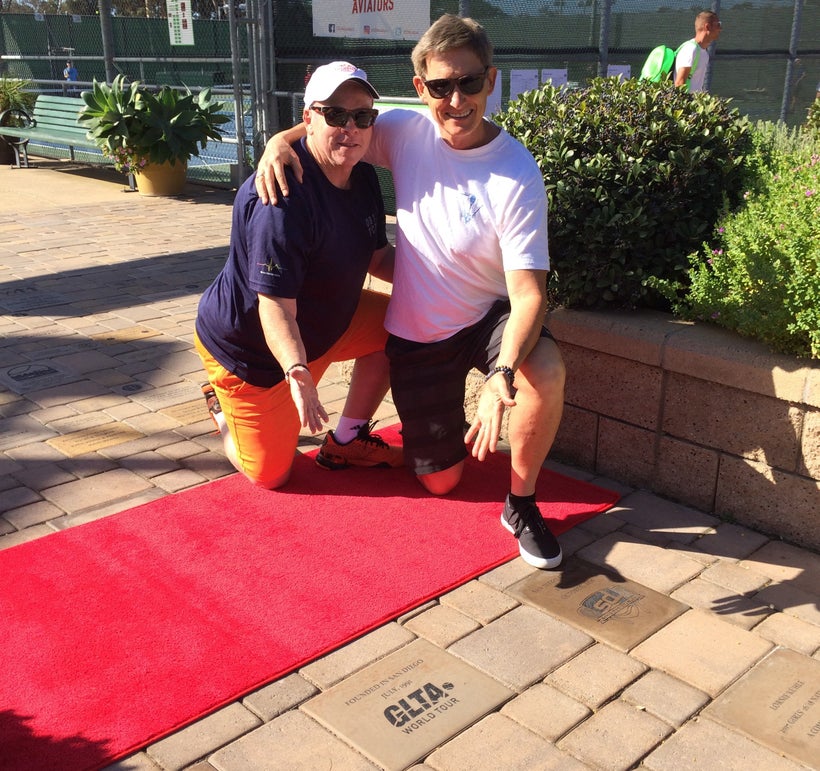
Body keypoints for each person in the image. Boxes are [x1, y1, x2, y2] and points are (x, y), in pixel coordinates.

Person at [256, 15, 566, 570]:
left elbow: (528, 296)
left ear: (490, 81)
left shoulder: (517, 172)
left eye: (468, 83)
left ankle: (521, 504)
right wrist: (280, 140)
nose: (456, 100)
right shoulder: (401, 130)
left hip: (487, 315)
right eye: (441, 86)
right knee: (441, 482)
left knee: (545, 367)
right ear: (421, 88)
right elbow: (335, 124)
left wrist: (502, 376)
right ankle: (415, 447)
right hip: (419, 332)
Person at [194, 61, 402, 490]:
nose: (351, 127)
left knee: (402, 328)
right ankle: (222, 406)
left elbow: (378, 257)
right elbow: (275, 308)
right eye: (336, 114)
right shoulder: (281, 198)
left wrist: (451, 285)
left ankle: (345, 441)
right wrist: (297, 370)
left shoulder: (362, 175)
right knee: (270, 474)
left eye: (362, 116)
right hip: (254, 353)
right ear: (308, 118)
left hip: (327, 321)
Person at [673, 11, 722, 93]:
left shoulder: (704, 53)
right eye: (718, 25)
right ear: (707, 26)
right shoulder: (691, 49)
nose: (720, 28)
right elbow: (679, 83)